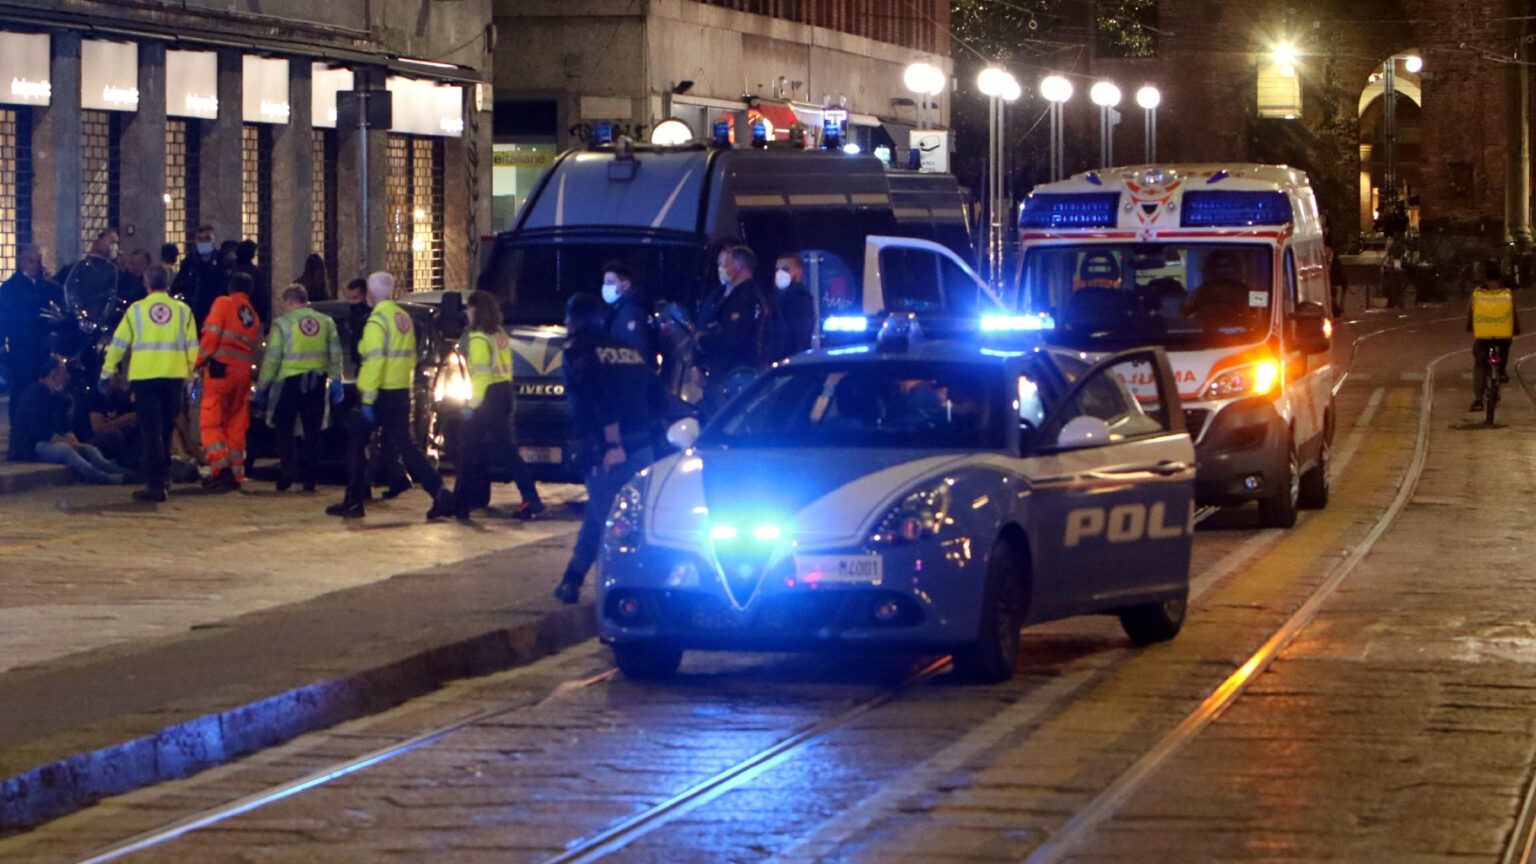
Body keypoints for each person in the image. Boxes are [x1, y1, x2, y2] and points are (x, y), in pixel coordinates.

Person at [552, 293, 661, 604]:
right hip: (641, 445)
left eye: (569, 318)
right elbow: (657, 396)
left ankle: (633, 591)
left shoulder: (579, 350)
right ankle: (571, 580)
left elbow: (600, 399)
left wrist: (612, 444)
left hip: (607, 448)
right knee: (600, 516)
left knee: (615, 523)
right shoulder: (628, 350)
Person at [327, 271, 455, 520]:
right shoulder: (402, 318)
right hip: (400, 391)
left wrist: (367, 399)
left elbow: (374, 362)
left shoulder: (377, 321)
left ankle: (353, 502)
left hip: (380, 393)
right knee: (408, 448)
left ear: (371, 294)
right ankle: (441, 493)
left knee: (356, 441)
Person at [100, 265, 197, 502]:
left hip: (145, 379)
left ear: (146, 284)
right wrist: (190, 375)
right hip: (174, 378)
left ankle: (155, 484)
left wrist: (107, 371)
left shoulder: (136, 310)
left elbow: (118, 343)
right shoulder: (183, 311)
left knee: (151, 432)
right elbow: (193, 346)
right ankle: (163, 478)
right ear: (169, 284)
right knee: (166, 428)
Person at [453, 290, 543, 521]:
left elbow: (481, 376)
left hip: (486, 398)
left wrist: (472, 405)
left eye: (469, 308)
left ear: (477, 310)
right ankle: (531, 498)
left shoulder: (479, 338)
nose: (466, 312)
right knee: (507, 451)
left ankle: (460, 502)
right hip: (503, 393)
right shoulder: (499, 334)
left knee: (467, 450)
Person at [256, 284, 344, 492]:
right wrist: (336, 379)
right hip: (317, 383)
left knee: (284, 428)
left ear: (289, 301)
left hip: (289, 382)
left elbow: (273, 357)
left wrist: (263, 385)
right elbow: (335, 352)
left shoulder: (283, 324)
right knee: (312, 431)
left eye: (283, 303)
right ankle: (311, 478)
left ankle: (289, 469)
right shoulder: (326, 322)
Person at [197, 270, 261, 491]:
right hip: (243, 373)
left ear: (230, 287)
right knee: (236, 422)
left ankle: (220, 468)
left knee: (211, 418)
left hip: (220, 370)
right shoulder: (253, 314)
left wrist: (196, 361)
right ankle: (235, 473)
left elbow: (211, 337)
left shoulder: (223, 303)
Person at [14, 359, 127, 484]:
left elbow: (65, 426)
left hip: (51, 440)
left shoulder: (57, 396)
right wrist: (70, 444)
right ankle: (100, 477)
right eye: (65, 373)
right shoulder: (34, 395)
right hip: (31, 445)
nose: (68, 377)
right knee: (66, 450)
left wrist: (75, 442)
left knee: (90, 449)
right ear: (53, 375)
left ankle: (120, 472)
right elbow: (41, 431)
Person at [0, 245, 66, 455]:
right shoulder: (11, 287)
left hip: (41, 347)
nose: (34, 266)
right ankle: (17, 433)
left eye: (37, 261)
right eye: (30, 261)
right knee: (21, 389)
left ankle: (39, 430)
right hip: (21, 347)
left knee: (40, 389)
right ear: (22, 262)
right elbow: (5, 315)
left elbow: (58, 299)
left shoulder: (44, 286)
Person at [696, 244, 773, 409]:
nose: (720, 269)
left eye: (723, 263)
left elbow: (733, 338)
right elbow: (702, 325)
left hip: (739, 372)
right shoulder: (717, 295)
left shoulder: (750, 298)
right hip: (717, 372)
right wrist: (697, 362)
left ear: (738, 266)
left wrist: (704, 340)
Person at [1468, 260, 1520, 412]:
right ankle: (1501, 372)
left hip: (1485, 337)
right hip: (1501, 336)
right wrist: (1515, 330)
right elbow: (1513, 314)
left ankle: (1478, 400)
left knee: (1480, 364)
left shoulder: (1477, 294)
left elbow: (1471, 313)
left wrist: (1470, 326)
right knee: (1501, 351)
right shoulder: (1506, 294)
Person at [73, 367, 139, 469]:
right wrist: (123, 420)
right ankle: (126, 468)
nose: (120, 378)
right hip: (88, 438)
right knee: (113, 436)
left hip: (109, 432)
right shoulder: (95, 396)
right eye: (116, 375)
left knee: (133, 431)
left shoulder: (117, 395)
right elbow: (98, 427)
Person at [172, 226, 227, 328]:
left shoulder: (223, 261)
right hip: (193, 314)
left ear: (214, 240)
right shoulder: (189, 262)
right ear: (195, 242)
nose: (204, 242)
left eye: (207, 239)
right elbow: (178, 286)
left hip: (217, 314)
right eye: (200, 239)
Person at [601, 261, 658, 357]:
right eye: (605, 283)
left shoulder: (631, 312)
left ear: (626, 285)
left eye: (610, 283)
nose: (606, 287)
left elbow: (637, 353)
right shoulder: (617, 310)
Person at [773, 252, 816, 357]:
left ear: (798, 271)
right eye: (777, 270)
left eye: (785, 269)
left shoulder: (801, 299)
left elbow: (797, 336)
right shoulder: (776, 297)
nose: (780, 273)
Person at [232, 240, 270, 329]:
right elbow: (263, 297)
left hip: (233, 319)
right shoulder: (257, 273)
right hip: (254, 317)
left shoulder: (232, 271)